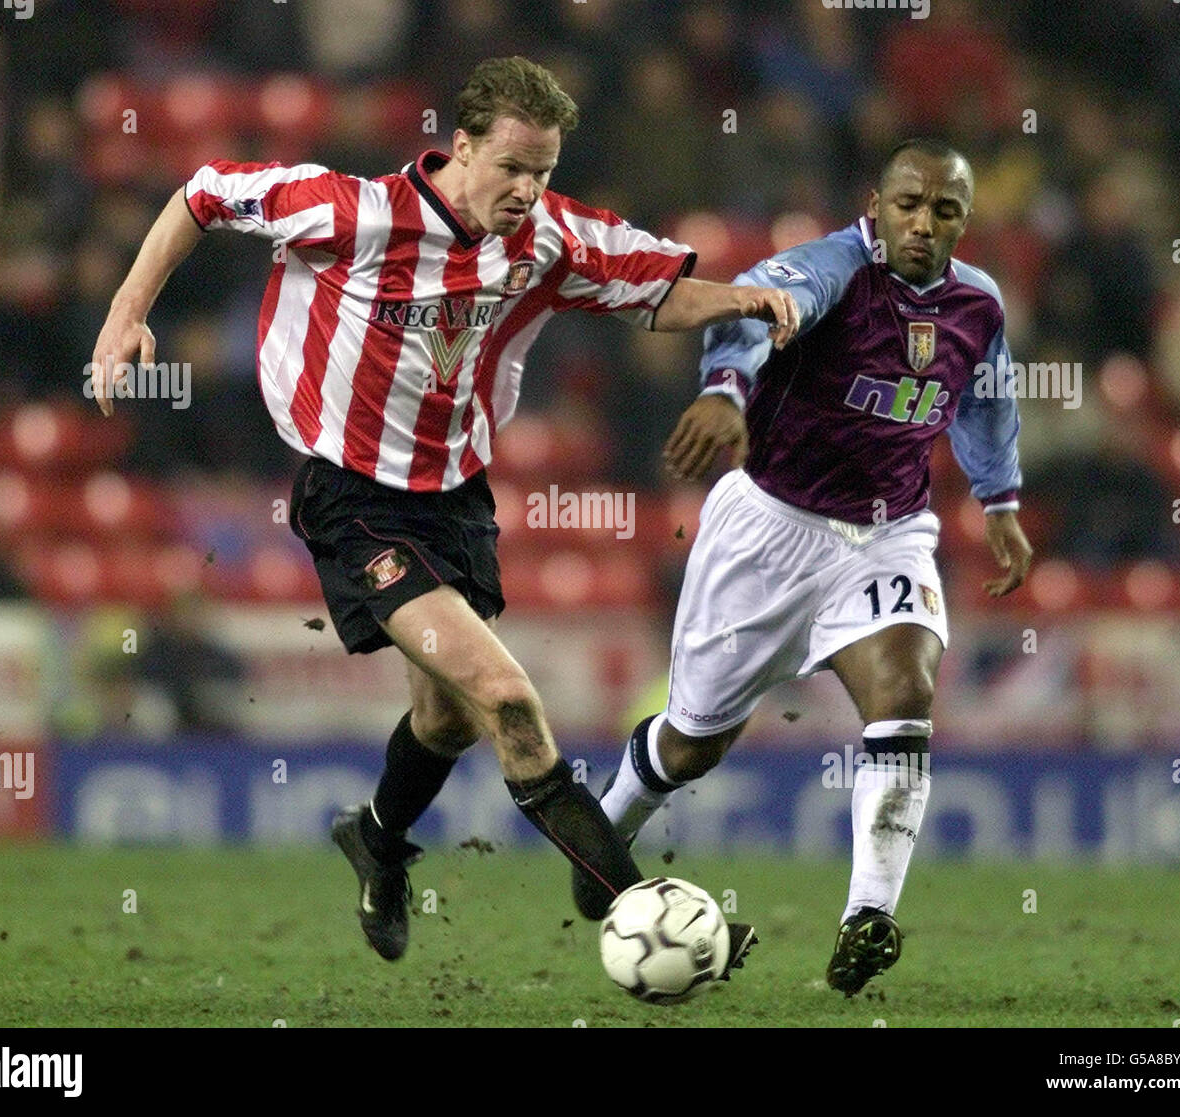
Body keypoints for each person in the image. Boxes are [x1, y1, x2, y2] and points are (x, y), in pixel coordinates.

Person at [89, 56, 797, 971]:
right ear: (459, 148)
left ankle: (377, 839)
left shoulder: (550, 238)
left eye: (543, 171)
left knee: (447, 719)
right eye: (511, 167)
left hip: (456, 499)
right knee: (506, 699)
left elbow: (658, 292)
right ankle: (645, 907)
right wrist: (125, 311)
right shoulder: (354, 211)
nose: (526, 190)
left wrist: (744, 297)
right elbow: (203, 192)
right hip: (352, 499)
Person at [575, 138, 1033, 996]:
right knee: (692, 741)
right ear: (875, 202)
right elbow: (751, 312)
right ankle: (599, 836)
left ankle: (868, 914)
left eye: (944, 211)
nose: (923, 224)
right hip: (769, 530)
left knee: (905, 690)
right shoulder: (828, 271)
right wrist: (724, 390)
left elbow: (985, 396)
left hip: (888, 533)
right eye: (908, 204)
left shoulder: (978, 304)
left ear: (965, 221)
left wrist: (999, 501)